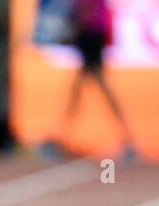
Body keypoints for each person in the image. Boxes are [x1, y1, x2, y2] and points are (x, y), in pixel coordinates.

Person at [52, 0, 135, 157]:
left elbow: (87, 8)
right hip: (90, 30)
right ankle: (60, 136)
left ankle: (128, 138)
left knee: (92, 86)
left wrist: (75, 23)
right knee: (79, 88)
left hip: (91, 31)